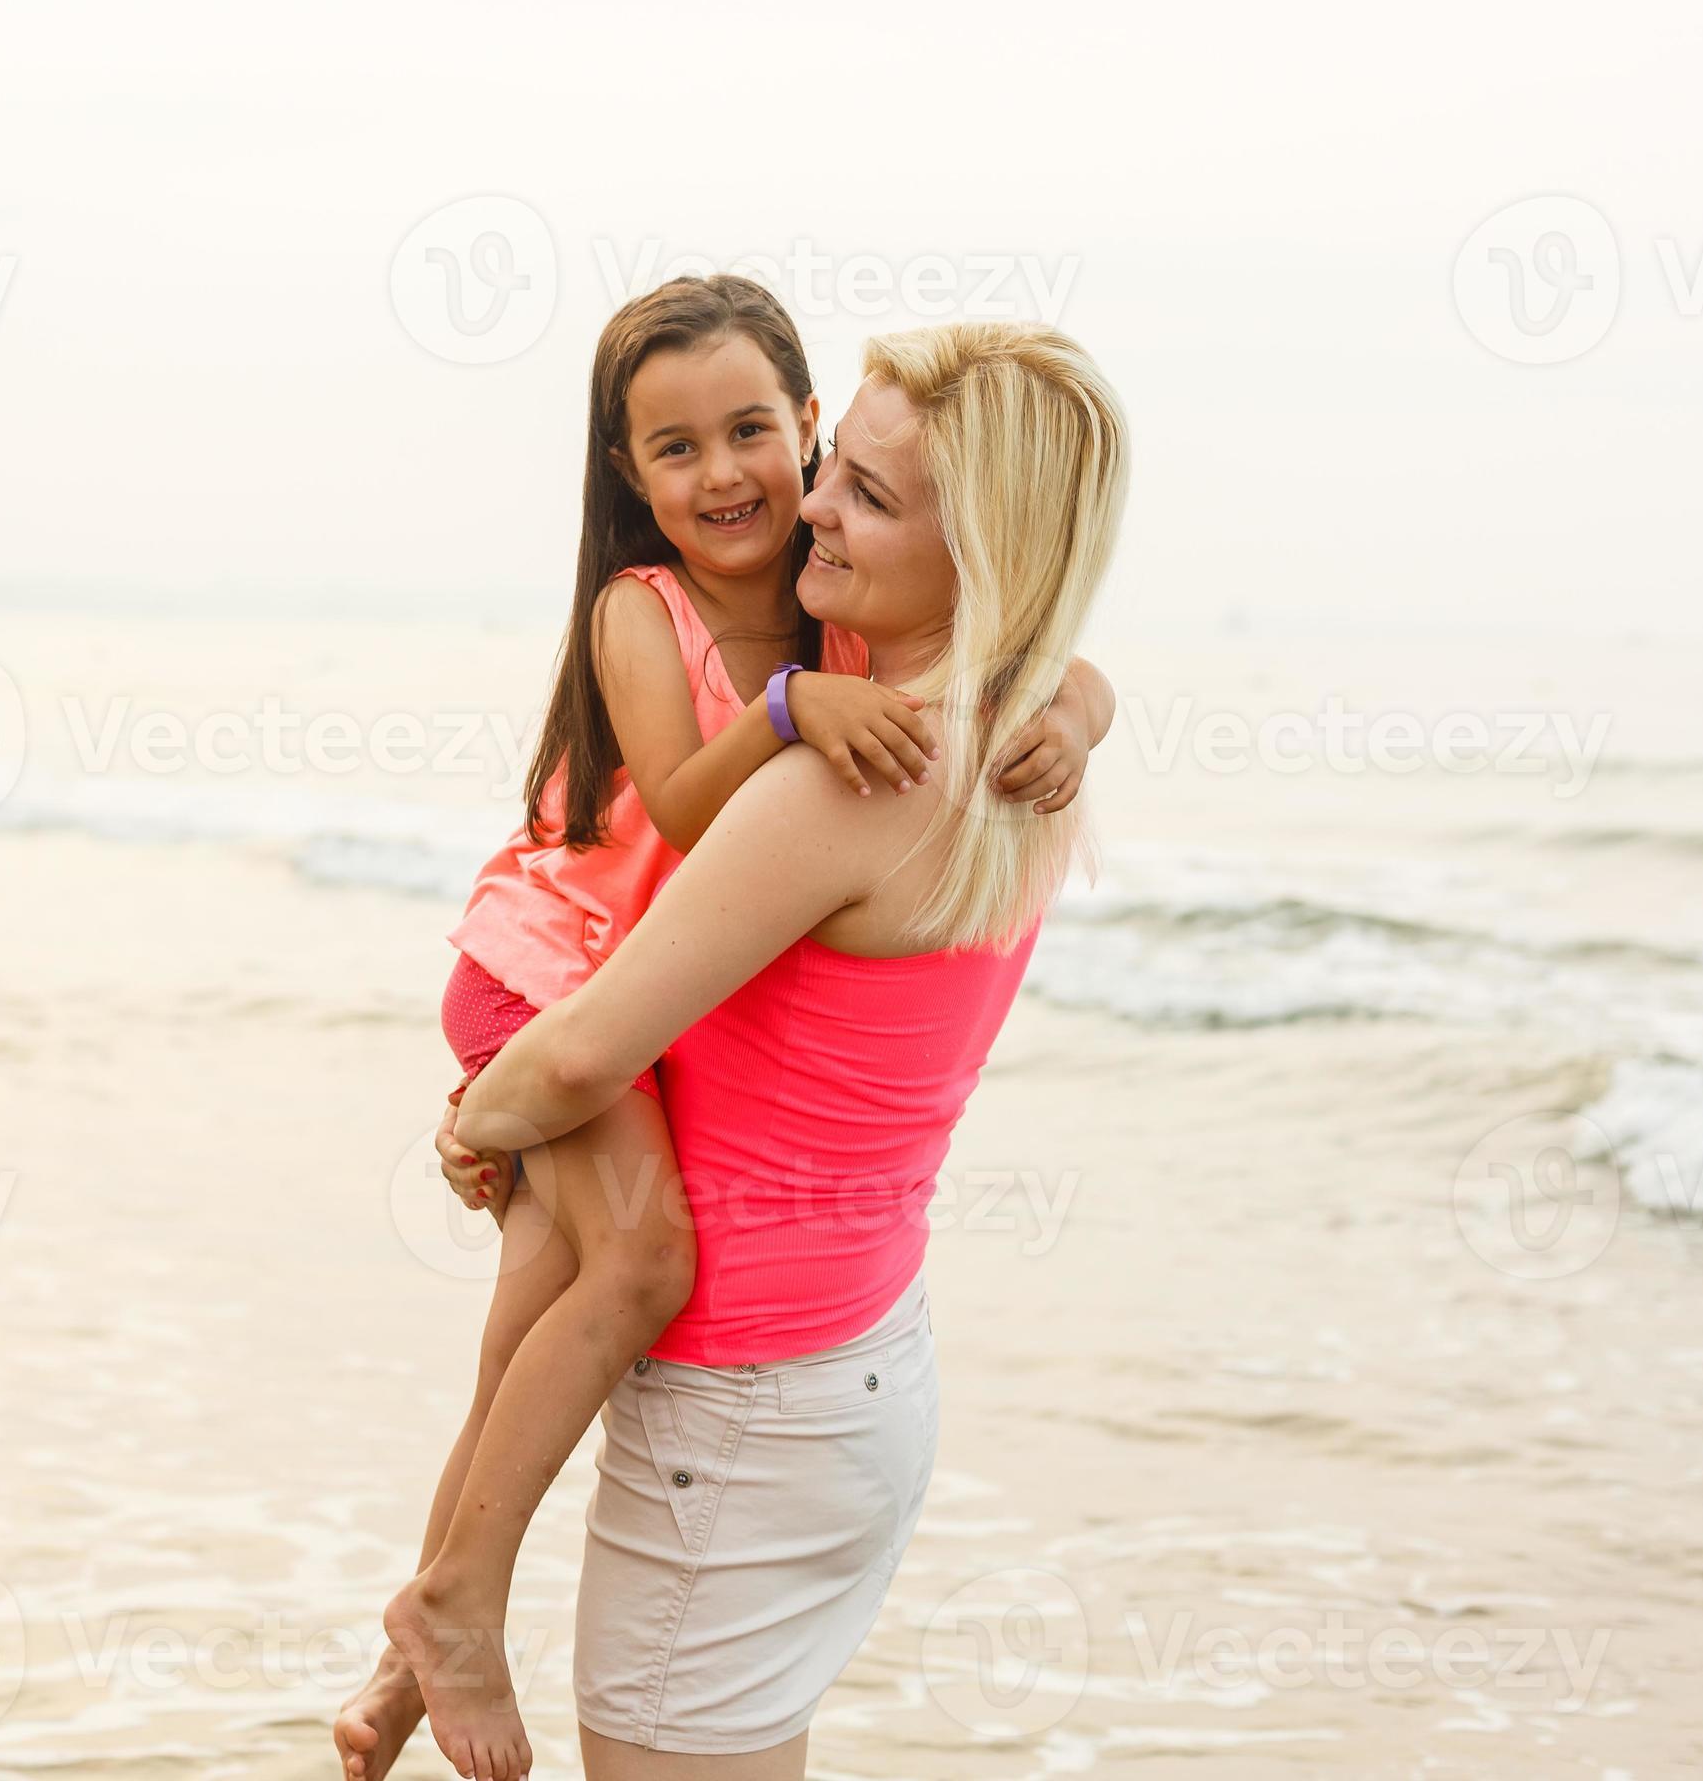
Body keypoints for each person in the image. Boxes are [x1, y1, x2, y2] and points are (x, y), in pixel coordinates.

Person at [334, 288, 1116, 1781]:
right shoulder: (862, 688)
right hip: (573, 991)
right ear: (631, 475)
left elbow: (1069, 669)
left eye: (816, 462)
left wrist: (475, 1124)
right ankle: (438, 1615)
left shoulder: (890, 733)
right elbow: (681, 814)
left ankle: (435, 1615)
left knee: (610, 1267)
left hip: (750, 1394)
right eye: (679, 448)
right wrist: (806, 703)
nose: (784, 494)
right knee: (569, 1286)